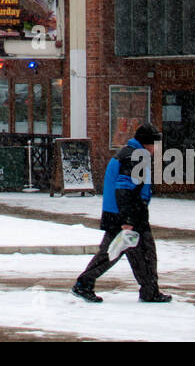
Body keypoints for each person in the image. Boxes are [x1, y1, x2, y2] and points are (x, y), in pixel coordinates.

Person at [71, 123, 172, 303]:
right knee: (120, 253)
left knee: (136, 253)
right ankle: (84, 283)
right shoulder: (134, 157)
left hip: (124, 213)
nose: (157, 148)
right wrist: (128, 219)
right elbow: (124, 189)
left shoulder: (132, 154)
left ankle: (149, 291)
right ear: (147, 143)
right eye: (155, 144)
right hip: (126, 215)